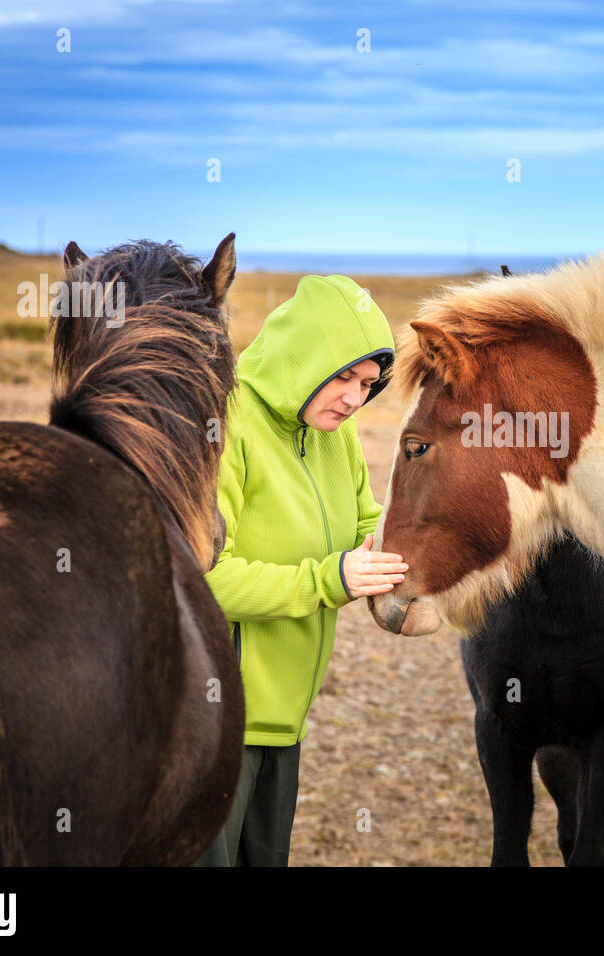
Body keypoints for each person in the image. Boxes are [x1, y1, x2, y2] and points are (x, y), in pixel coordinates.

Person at [195, 274, 408, 866]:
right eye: (342, 376)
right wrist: (327, 581)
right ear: (303, 353)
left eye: (367, 384)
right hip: (215, 729)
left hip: (285, 726)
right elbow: (202, 578)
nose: (353, 398)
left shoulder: (333, 435)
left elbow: (369, 527)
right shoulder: (226, 424)